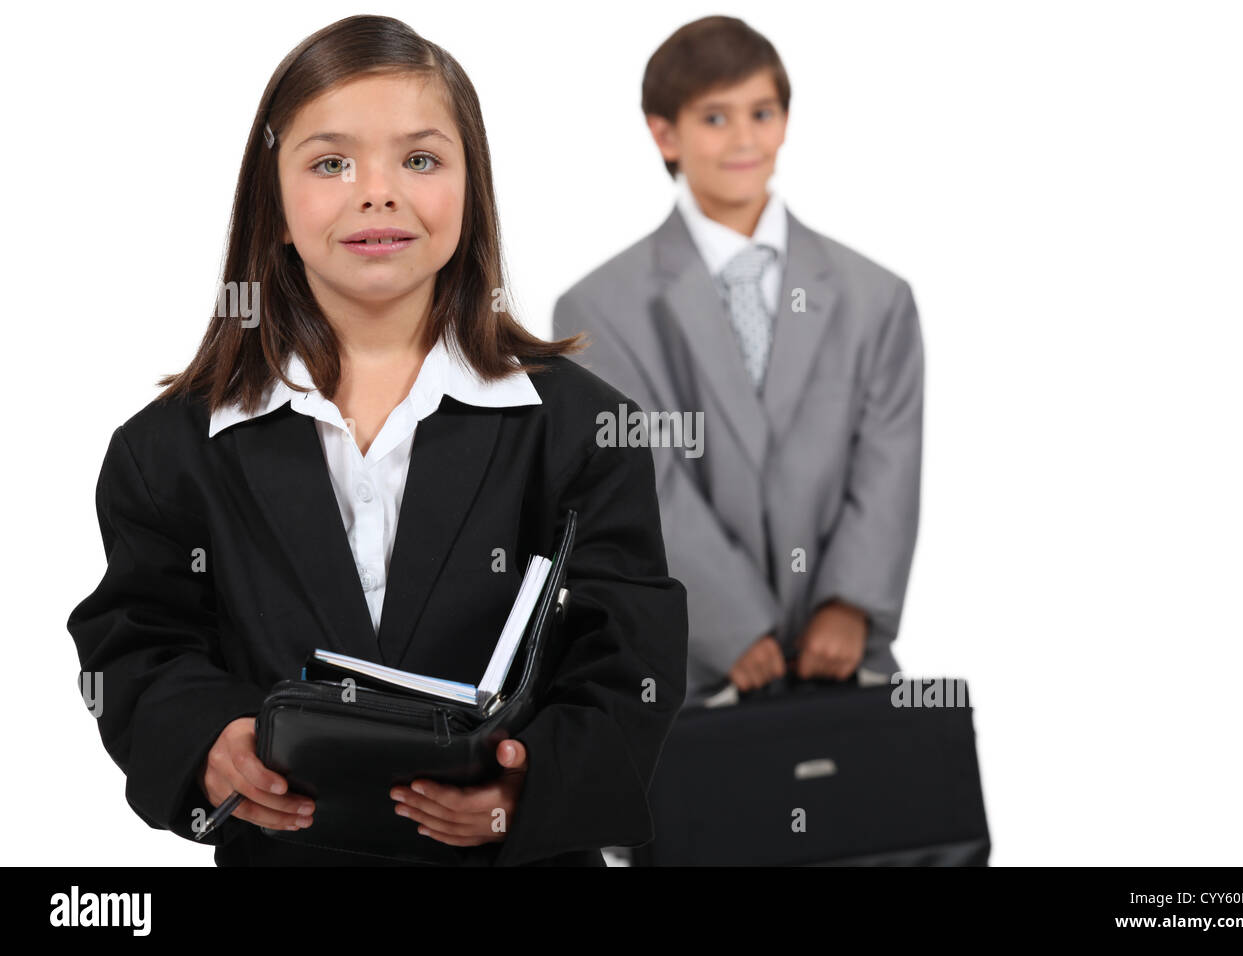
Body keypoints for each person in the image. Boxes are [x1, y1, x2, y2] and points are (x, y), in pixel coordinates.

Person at [66, 14, 688, 866]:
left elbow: (630, 666)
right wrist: (209, 740)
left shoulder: (584, 431)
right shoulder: (167, 452)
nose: (377, 192)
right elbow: (138, 644)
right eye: (331, 163)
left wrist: (529, 786)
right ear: (274, 207)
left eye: (420, 159)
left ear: (472, 194)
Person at [553, 16, 924, 707]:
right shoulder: (597, 309)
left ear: (786, 121)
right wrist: (730, 627)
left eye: (762, 112)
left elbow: (889, 460)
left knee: (876, 811)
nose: (746, 139)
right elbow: (644, 480)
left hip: (844, 659)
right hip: (692, 671)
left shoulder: (878, 297)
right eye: (715, 117)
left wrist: (849, 605)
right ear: (665, 134)